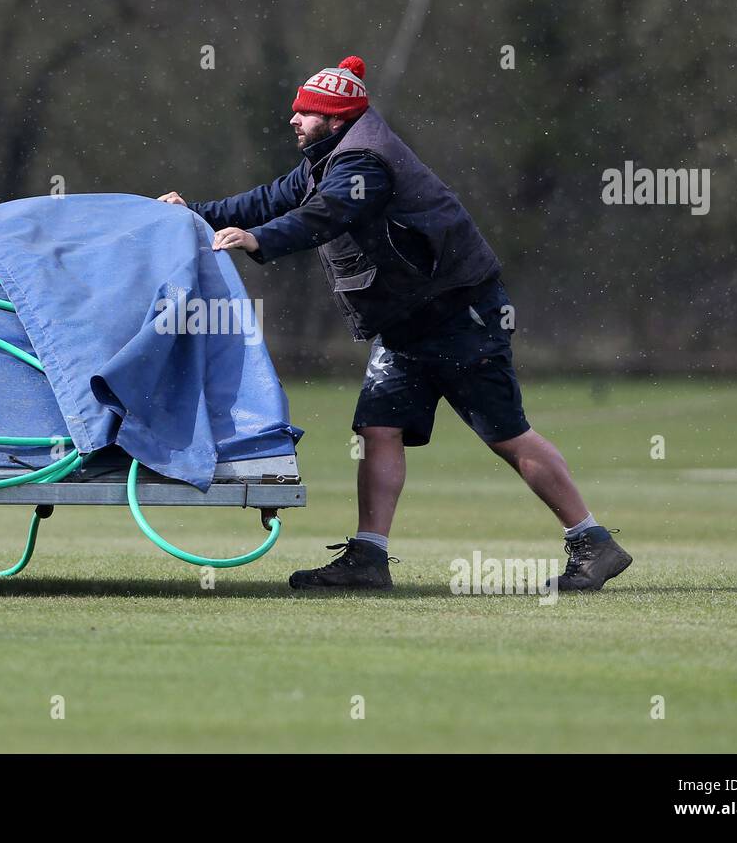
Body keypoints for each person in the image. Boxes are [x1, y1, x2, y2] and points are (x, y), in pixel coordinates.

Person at [158, 55, 632, 592]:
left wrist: (259, 239)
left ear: (336, 119)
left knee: (506, 434)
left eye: (306, 112)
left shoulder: (365, 162)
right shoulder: (327, 154)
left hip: (459, 315)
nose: (294, 119)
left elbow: (326, 214)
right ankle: (369, 556)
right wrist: (194, 213)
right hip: (408, 324)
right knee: (379, 429)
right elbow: (269, 198)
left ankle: (593, 543)